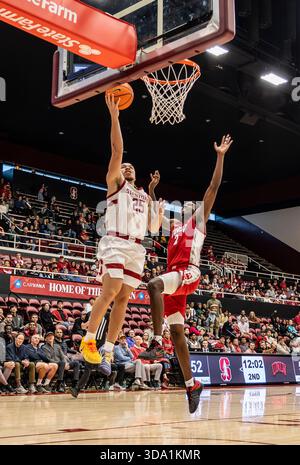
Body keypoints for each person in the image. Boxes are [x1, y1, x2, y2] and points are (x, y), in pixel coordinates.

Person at [140, 134, 233, 413]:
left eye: (193, 205)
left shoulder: (199, 223)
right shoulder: (174, 227)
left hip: (188, 274)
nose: (190, 206)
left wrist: (220, 156)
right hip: (175, 281)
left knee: (153, 284)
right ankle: (192, 384)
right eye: (187, 205)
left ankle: (156, 342)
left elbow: (213, 186)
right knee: (179, 333)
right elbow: (154, 216)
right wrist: (152, 190)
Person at [80, 94, 162, 373]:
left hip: (137, 248)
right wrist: (115, 117)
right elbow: (117, 152)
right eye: (124, 166)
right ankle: (88, 339)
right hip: (114, 241)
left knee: (125, 298)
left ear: (136, 175)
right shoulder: (116, 184)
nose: (126, 166)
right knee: (111, 290)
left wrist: (155, 206)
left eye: (131, 166)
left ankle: (108, 350)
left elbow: (153, 229)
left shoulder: (142, 194)